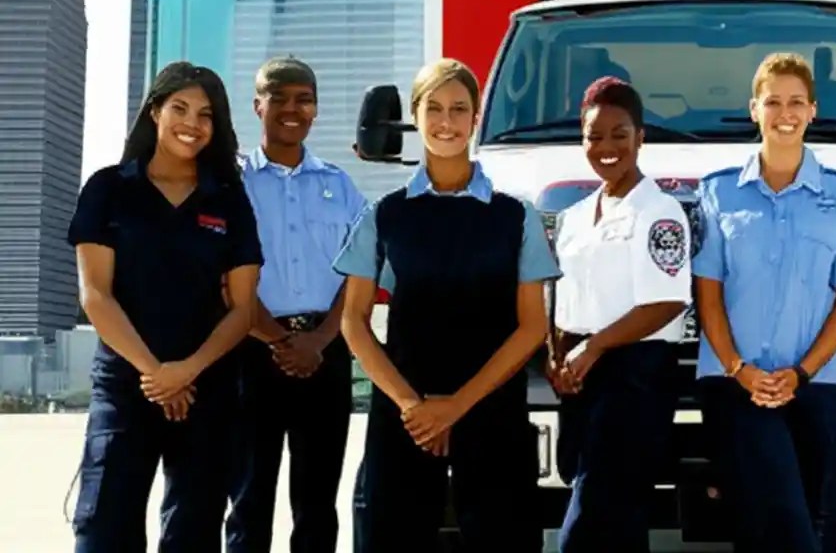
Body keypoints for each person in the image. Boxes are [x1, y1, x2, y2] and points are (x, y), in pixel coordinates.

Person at [332, 58, 560, 552]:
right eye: (433, 108)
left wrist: (457, 406)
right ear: (415, 116)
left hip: (493, 409)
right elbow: (353, 321)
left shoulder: (515, 217)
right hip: (404, 413)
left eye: (459, 109)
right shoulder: (385, 215)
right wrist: (413, 406)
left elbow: (530, 328)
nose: (446, 121)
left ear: (476, 118)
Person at [692, 52, 836, 553]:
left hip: (815, 383)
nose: (785, 113)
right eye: (773, 101)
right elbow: (707, 292)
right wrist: (739, 369)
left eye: (796, 101)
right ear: (753, 109)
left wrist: (801, 372)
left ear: (814, 110)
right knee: (770, 515)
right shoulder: (717, 194)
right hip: (736, 384)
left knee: (819, 515)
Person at [67, 62, 263, 553]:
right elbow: (96, 295)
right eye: (180, 108)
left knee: (193, 532)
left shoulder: (230, 201)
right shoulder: (109, 189)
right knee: (103, 530)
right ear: (155, 110)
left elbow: (242, 309)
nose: (191, 123)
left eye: (206, 114)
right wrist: (155, 373)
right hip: (127, 386)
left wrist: (188, 371)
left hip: (208, 388)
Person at [225, 57, 366, 553]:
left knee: (317, 503)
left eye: (303, 98)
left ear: (315, 108)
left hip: (327, 355)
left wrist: (323, 339)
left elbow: (361, 271)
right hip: (250, 354)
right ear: (256, 105)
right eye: (278, 97)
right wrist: (281, 340)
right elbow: (224, 276)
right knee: (248, 499)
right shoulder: (230, 183)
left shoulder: (340, 185)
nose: (291, 108)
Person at [548, 76, 691, 552]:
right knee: (620, 522)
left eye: (619, 135)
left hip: (636, 375)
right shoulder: (574, 216)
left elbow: (668, 300)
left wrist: (595, 347)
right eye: (594, 136)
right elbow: (562, 297)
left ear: (640, 138)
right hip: (581, 375)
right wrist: (557, 356)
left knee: (589, 521)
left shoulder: (660, 211)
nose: (606, 147)